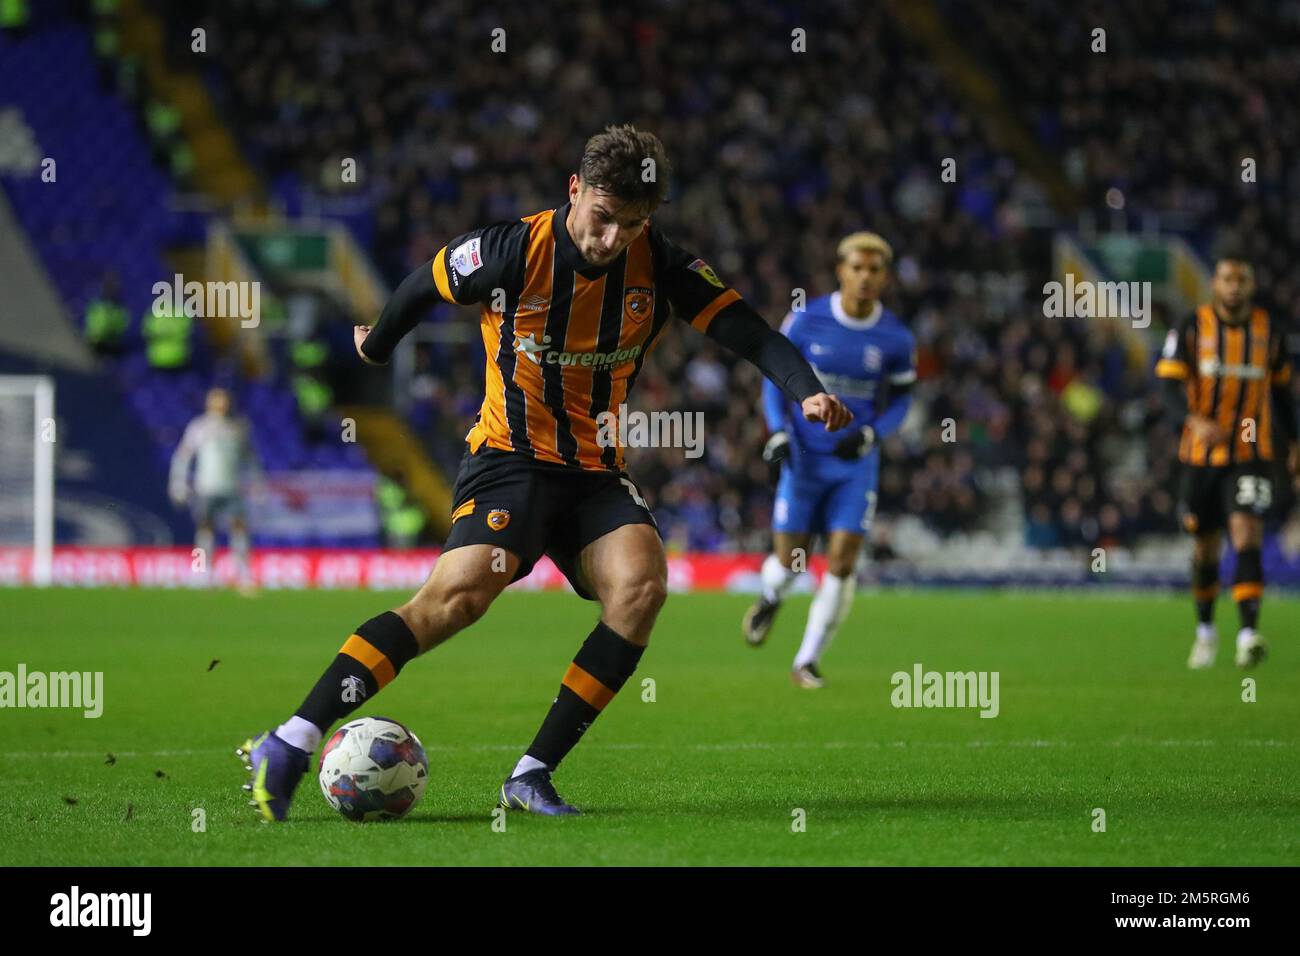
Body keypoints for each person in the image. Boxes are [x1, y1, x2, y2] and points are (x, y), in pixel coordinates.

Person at [238, 124, 851, 820]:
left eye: (633, 223)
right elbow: (424, 281)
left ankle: (531, 774)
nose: (614, 237)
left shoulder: (661, 265)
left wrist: (805, 388)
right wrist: (377, 346)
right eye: (604, 217)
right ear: (574, 191)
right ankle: (288, 741)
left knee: (642, 588)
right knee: (456, 602)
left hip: (593, 474)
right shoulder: (511, 249)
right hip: (510, 461)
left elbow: (751, 331)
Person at [742, 232, 915, 687]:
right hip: (803, 459)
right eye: (857, 267)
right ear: (841, 269)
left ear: (885, 276)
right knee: (790, 562)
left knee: (842, 561)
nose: (865, 277)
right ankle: (770, 596)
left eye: (874, 269)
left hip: (855, 463)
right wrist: (779, 431)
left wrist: (874, 434)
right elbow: (774, 378)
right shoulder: (805, 319)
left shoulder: (896, 337)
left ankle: (807, 660)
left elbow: (901, 400)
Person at [1155, 253, 1298, 669]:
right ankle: (1205, 631)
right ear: (1214, 284)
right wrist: (1192, 420)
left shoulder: (1269, 331)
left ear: (1251, 285)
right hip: (1201, 458)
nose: (1234, 286)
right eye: (1227, 278)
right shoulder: (1191, 326)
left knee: (1246, 531)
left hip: (1251, 453)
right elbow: (1166, 386)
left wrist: (1295, 444)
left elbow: (1285, 396)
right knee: (1205, 546)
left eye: (1242, 278)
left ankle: (1249, 634)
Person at [169, 387, 261, 594]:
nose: (221, 405)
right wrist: (178, 482)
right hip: (206, 487)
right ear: (209, 403)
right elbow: (183, 456)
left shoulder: (237, 428)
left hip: (231, 487)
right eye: (216, 401)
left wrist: (257, 483)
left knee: (239, 529)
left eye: (223, 400)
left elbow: (250, 458)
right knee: (205, 530)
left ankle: (244, 574)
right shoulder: (199, 427)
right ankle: (203, 573)